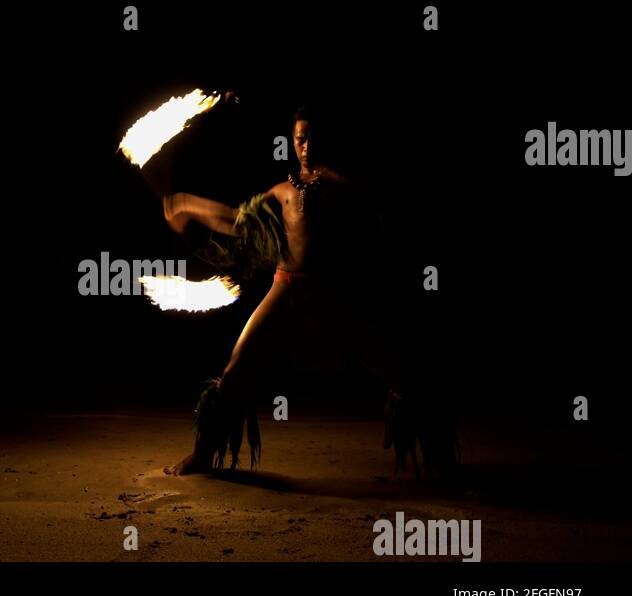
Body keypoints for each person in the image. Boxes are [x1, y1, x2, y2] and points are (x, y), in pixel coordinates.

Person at [162, 108, 455, 477]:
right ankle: (203, 454)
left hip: (338, 297)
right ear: (291, 141)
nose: (305, 145)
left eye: (312, 137)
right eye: (299, 138)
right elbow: (238, 221)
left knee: (406, 375)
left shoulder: (349, 188)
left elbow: (376, 242)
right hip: (287, 290)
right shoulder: (283, 191)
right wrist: (187, 205)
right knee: (236, 368)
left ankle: (442, 464)